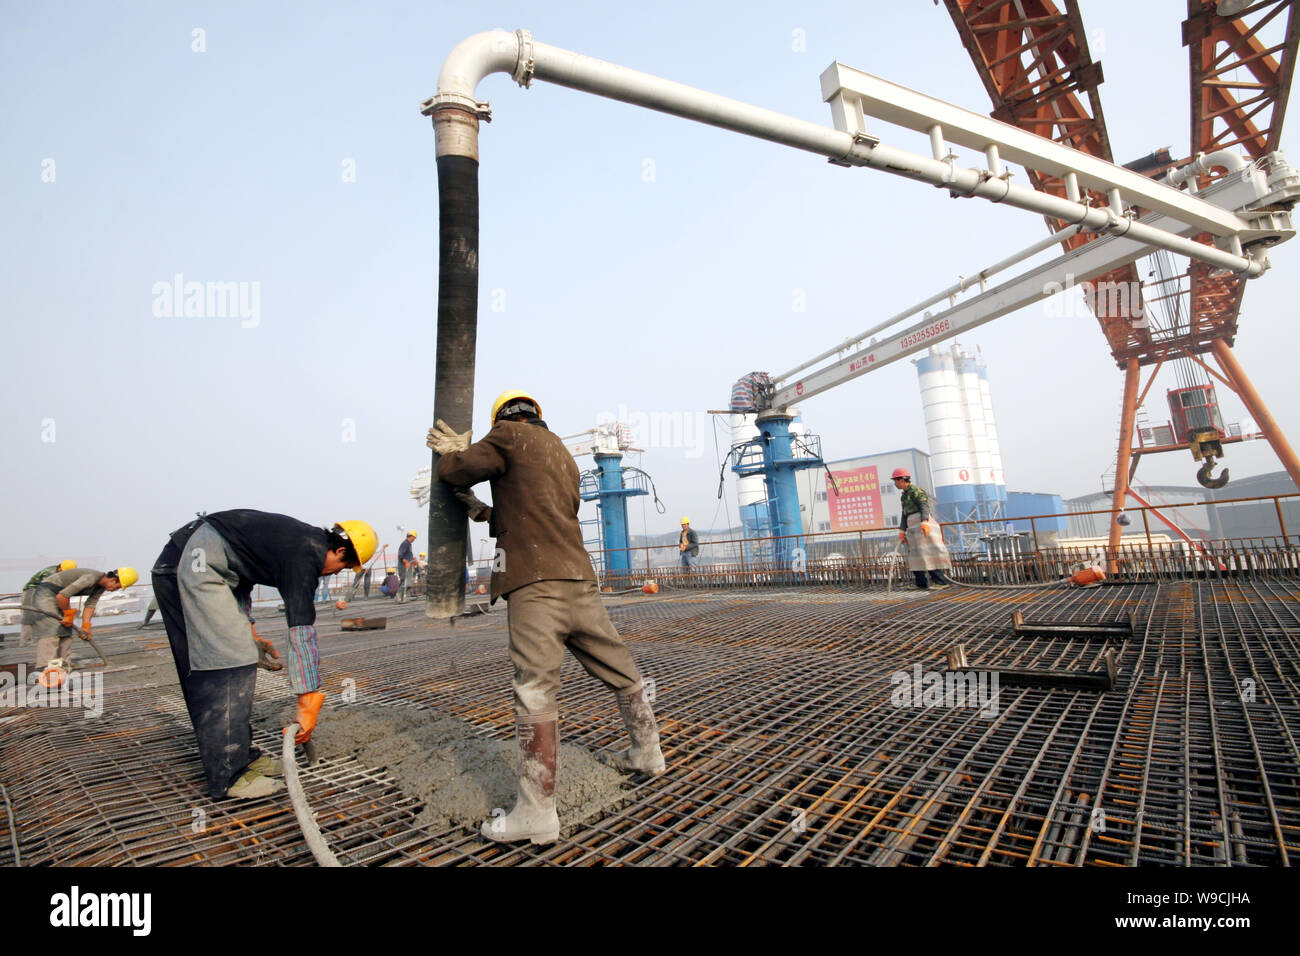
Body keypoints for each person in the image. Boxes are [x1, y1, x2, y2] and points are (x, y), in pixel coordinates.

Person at [428, 388, 666, 845]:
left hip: (536, 585)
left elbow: (456, 470)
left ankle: (537, 813)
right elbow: (544, 512)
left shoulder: (507, 435)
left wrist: (455, 452)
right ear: (537, 414)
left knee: (535, 689)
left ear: (504, 418)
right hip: (579, 578)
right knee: (619, 669)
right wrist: (486, 513)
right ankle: (648, 752)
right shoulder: (560, 451)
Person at [150, 511, 377, 800]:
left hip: (198, 562)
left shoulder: (295, 541)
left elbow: (239, 579)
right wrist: (307, 699)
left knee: (238, 652)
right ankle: (229, 775)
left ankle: (242, 756)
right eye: (342, 567)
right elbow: (301, 629)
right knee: (225, 662)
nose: (335, 573)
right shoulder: (305, 554)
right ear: (340, 550)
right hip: (187, 567)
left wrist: (251, 634)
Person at [23, 565, 139, 679]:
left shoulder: (100, 587)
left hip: (59, 595)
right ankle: (44, 668)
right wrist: (68, 614)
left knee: (66, 632)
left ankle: (62, 667)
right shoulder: (91, 577)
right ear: (113, 580)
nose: (115, 590)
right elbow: (62, 596)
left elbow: (90, 605)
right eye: (118, 587)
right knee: (51, 630)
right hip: (46, 592)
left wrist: (86, 626)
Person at [891, 468, 952, 590]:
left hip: (922, 525)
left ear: (903, 480)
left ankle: (941, 581)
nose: (895, 483)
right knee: (915, 554)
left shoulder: (916, 491)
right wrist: (902, 531)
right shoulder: (904, 496)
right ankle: (921, 583)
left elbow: (924, 506)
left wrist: (924, 522)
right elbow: (904, 514)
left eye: (896, 481)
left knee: (929, 552)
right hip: (912, 527)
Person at [18, 559, 77, 647]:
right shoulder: (50, 574)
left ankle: (52, 637)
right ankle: (26, 642)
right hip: (32, 591)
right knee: (29, 616)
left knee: (51, 616)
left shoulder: (66, 575)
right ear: (60, 567)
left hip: (47, 593)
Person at [396, 531, 419, 602]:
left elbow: (408, 555)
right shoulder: (405, 544)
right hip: (403, 565)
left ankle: (403, 596)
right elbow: (400, 554)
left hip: (408, 565)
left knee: (408, 582)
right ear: (410, 536)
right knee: (404, 580)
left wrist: (413, 560)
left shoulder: (409, 544)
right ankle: (399, 595)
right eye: (413, 538)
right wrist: (405, 561)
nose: (414, 539)